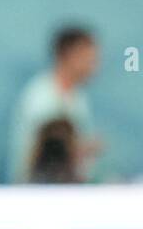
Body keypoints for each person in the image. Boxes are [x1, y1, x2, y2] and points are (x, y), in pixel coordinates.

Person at [8, 26, 100, 184]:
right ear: (68, 55)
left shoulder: (78, 97)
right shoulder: (39, 96)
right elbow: (49, 150)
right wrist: (83, 148)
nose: (94, 66)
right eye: (88, 58)